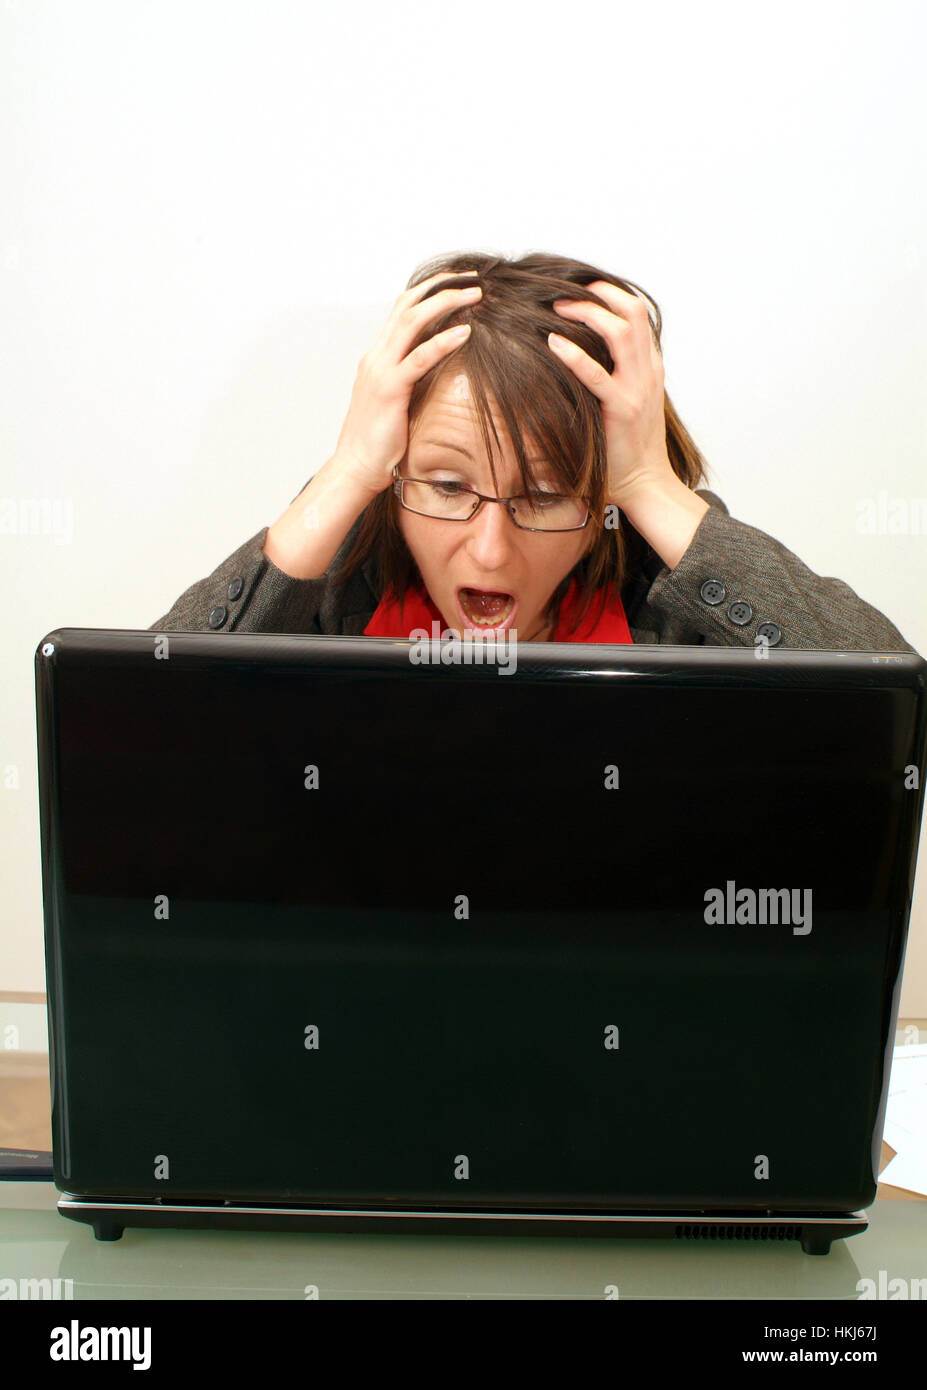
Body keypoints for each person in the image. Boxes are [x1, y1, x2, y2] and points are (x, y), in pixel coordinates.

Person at [149, 251, 917, 653]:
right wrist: (348, 473)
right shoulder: (337, 570)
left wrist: (648, 482)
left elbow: (886, 696)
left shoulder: (662, 585)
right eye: (448, 487)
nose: (488, 551)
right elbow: (141, 716)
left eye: (545, 495)